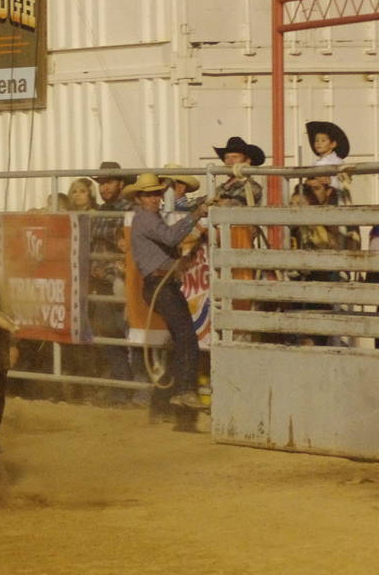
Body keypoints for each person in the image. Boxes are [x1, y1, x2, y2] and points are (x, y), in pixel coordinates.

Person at [126, 173, 209, 410]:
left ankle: (164, 399)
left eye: (156, 193)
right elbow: (171, 238)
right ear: (140, 198)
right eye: (149, 195)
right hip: (160, 286)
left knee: (179, 340)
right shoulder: (147, 220)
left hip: (162, 284)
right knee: (187, 337)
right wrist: (196, 214)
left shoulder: (147, 218)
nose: (154, 198)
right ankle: (185, 390)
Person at [88, 161, 137, 404]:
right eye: (101, 183)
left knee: (129, 334)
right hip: (104, 280)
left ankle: (135, 389)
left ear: (120, 183)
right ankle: (123, 387)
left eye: (108, 182)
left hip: (122, 280)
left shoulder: (128, 209)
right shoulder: (102, 211)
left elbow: (122, 240)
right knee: (109, 336)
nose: (104, 188)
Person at [213, 136, 265, 205]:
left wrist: (208, 206)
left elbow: (231, 205)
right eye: (226, 157)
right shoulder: (222, 187)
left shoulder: (253, 187)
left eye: (235, 157)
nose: (229, 161)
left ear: (247, 161)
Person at [306, 120, 349, 193]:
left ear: (333, 144)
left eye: (323, 141)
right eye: (316, 141)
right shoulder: (315, 163)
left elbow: (346, 184)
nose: (319, 143)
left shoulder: (338, 162)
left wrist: (330, 181)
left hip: (334, 197)